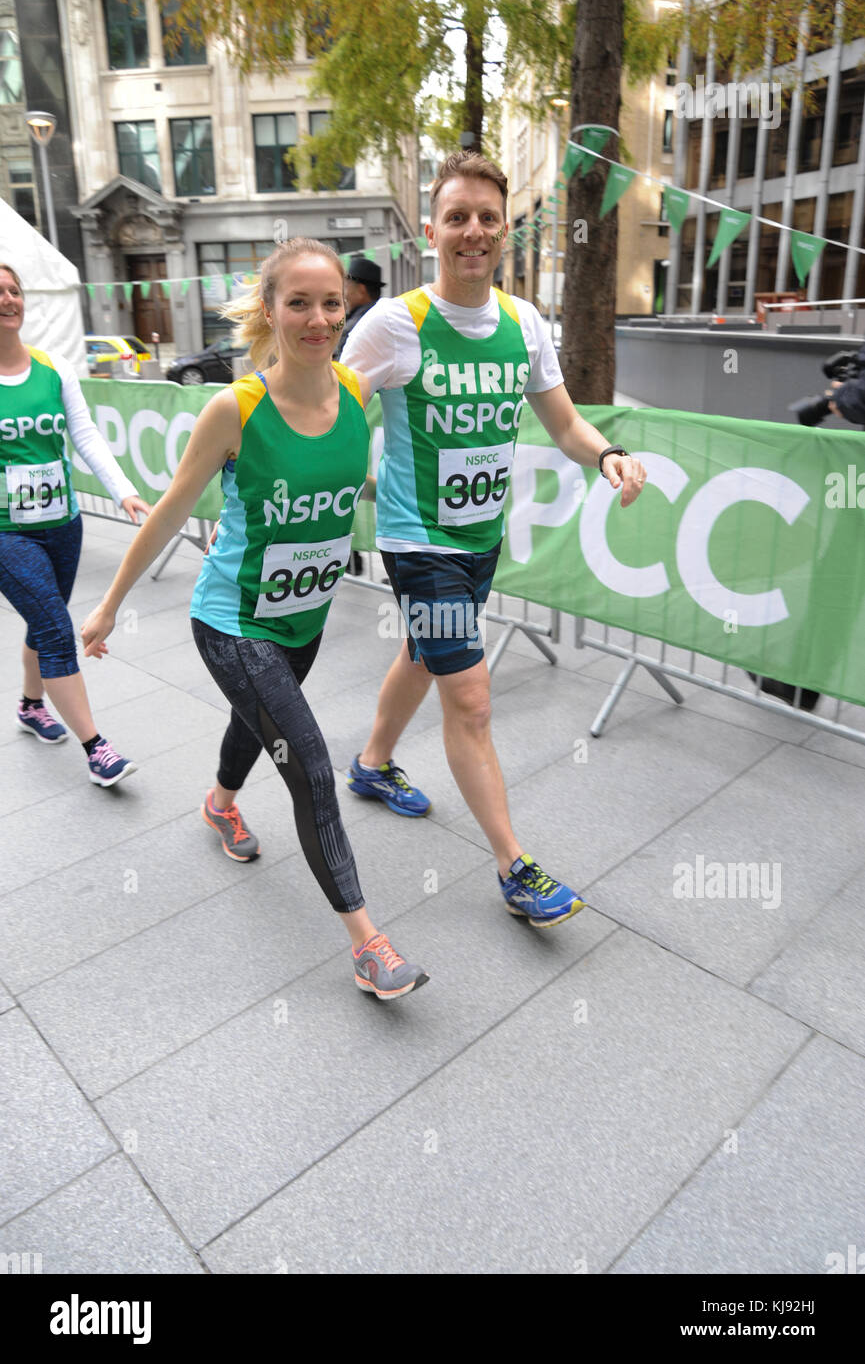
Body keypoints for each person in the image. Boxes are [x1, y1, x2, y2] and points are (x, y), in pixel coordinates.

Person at [80, 238, 428, 1001]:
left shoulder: (353, 390)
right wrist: (108, 607)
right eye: (297, 302)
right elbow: (171, 511)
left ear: (348, 308)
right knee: (307, 761)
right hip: (233, 619)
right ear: (267, 310)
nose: (316, 317)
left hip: (303, 621)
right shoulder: (234, 408)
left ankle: (219, 805)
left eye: (330, 302)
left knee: (256, 723)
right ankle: (369, 944)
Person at [342, 150, 647, 929]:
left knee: (423, 654)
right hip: (419, 542)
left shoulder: (522, 323)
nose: (471, 231)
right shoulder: (393, 324)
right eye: (455, 218)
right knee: (470, 699)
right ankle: (514, 867)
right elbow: (332, 411)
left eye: (486, 217)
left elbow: (565, 422)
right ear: (431, 233)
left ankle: (371, 765)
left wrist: (606, 454)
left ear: (503, 229)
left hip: (481, 539)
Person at [0, 263, 150, 784]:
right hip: (6, 532)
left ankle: (29, 704)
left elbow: (84, 437)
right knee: (55, 627)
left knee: (45, 619)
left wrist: (125, 492)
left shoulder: (53, 367)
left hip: (63, 523)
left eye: (14, 290)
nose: (8, 299)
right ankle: (97, 749)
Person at [334, 256, 384, 362]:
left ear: (361, 290)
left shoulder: (355, 326)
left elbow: (341, 369)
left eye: (347, 287)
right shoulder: (382, 315)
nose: (344, 294)